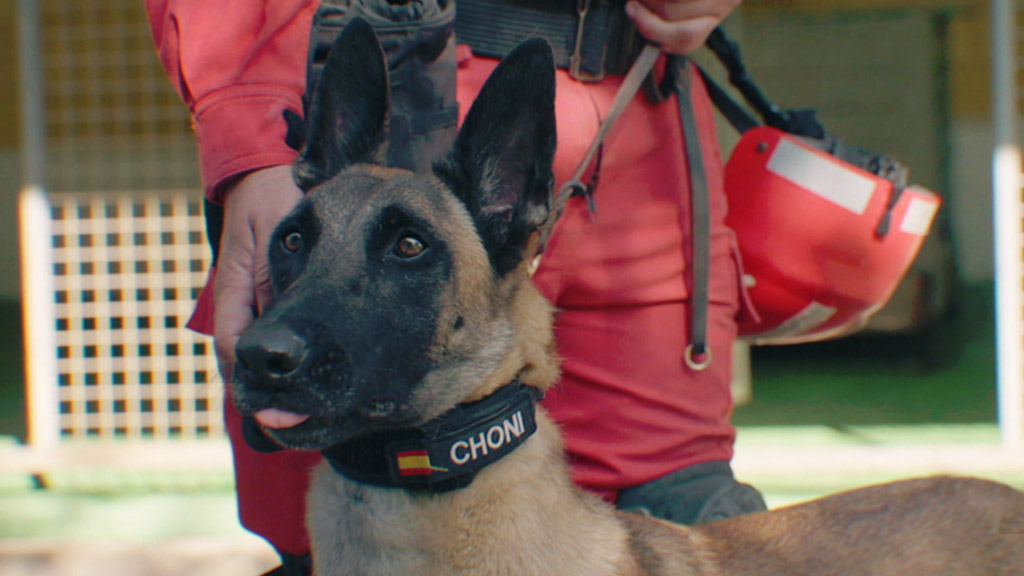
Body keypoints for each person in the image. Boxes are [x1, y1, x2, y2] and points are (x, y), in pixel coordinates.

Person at [146, 1, 765, 574]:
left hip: (642, 123)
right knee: (325, 527)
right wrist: (253, 143)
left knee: (683, 507)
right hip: (371, 68)